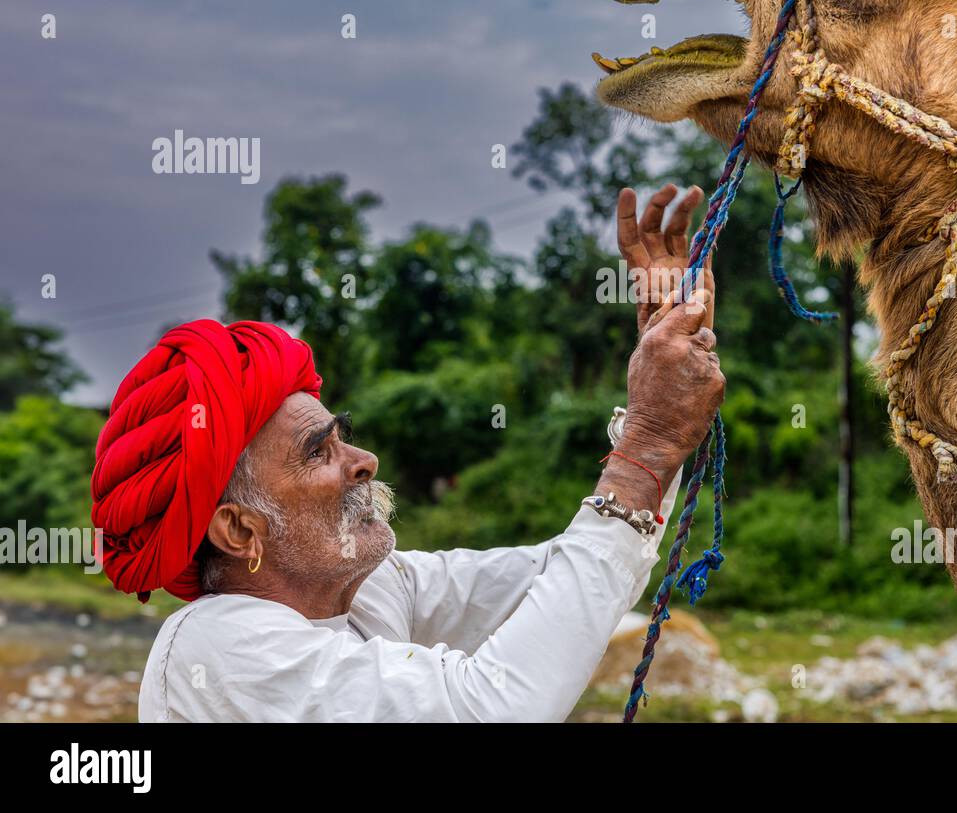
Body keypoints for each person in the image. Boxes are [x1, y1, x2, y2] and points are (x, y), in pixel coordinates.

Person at [90, 184, 724, 721]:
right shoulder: (218, 647)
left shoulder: (368, 590)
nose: (363, 460)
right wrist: (649, 441)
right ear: (238, 529)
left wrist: (662, 412)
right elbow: (495, 707)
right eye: (319, 452)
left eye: (341, 436)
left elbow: (572, 571)